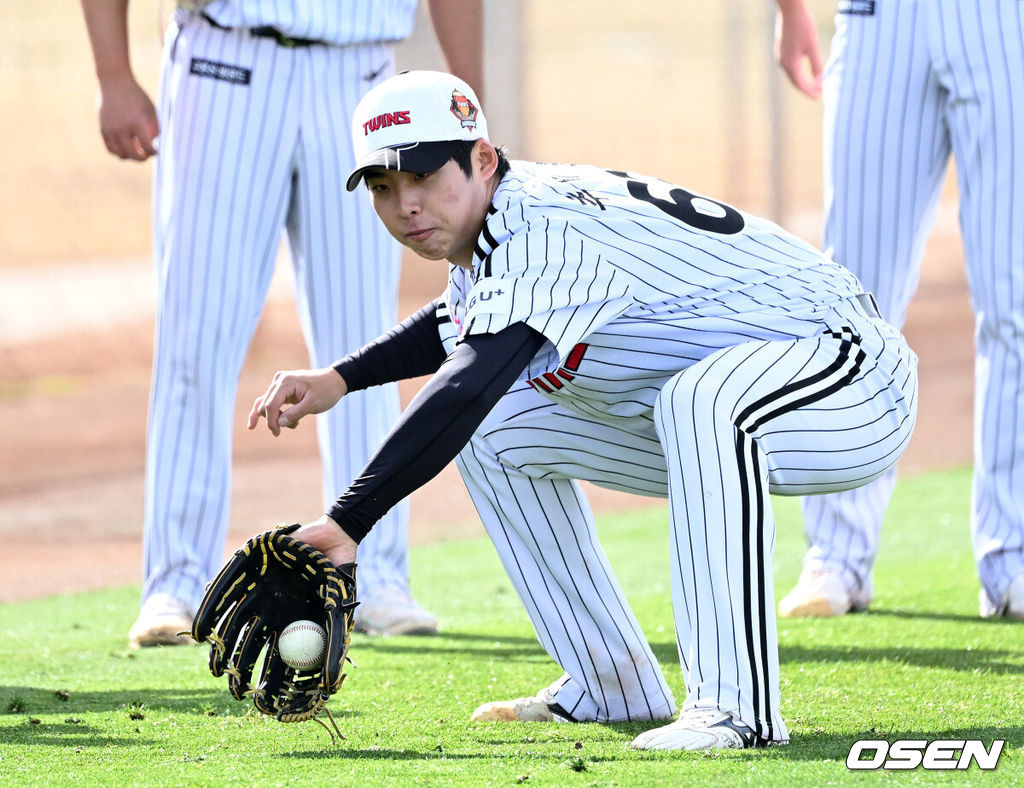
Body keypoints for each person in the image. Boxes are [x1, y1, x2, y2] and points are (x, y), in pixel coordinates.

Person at [247, 69, 918, 750]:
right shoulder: (498, 225)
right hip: (756, 401)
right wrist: (341, 377)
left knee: (699, 401)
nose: (407, 205)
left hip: (854, 382)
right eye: (385, 189)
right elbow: (464, 325)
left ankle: (735, 710)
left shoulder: (547, 226)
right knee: (497, 434)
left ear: (481, 159)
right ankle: (612, 683)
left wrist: (347, 520)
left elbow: (470, 378)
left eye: (423, 177)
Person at [79, 0, 482, 647]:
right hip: (224, 63)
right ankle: (176, 582)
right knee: (197, 336)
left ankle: (374, 574)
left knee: (363, 343)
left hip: (364, 80)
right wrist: (112, 74)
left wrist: (468, 96)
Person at [772, 0, 1024, 620]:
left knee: (1014, 302)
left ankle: (1012, 555)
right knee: (853, 302)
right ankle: (835, 554)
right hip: (880, 18)